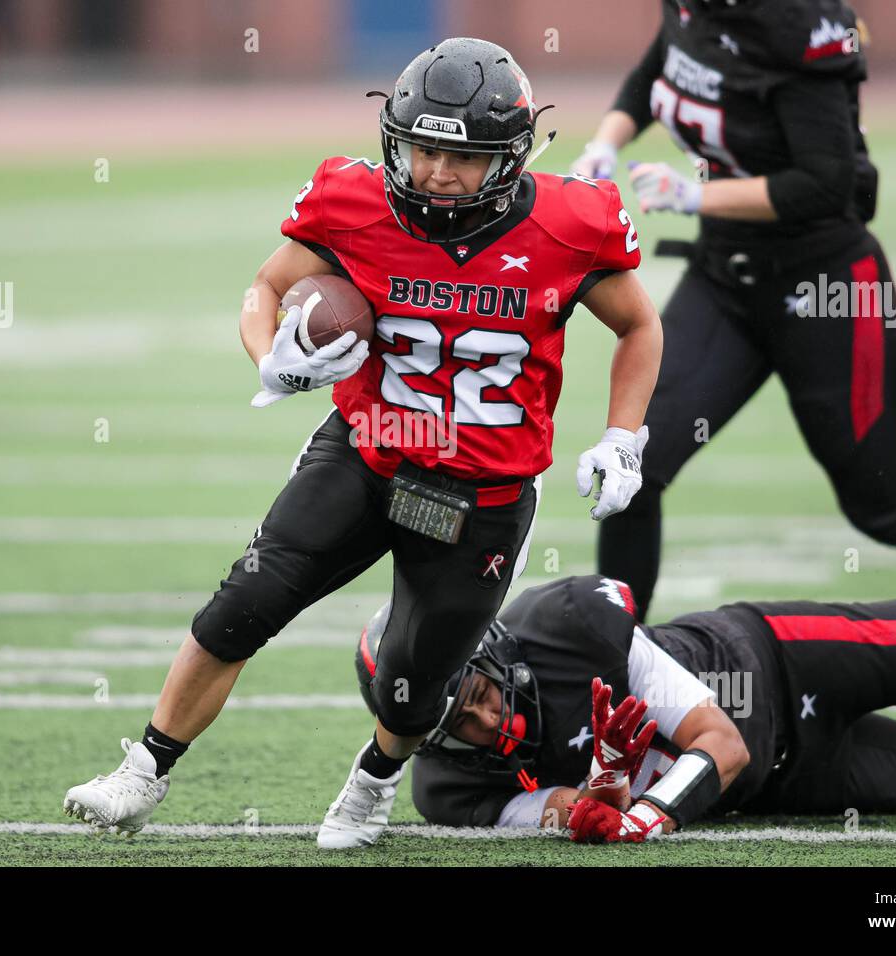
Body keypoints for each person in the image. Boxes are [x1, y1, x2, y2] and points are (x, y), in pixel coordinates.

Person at [62, 37, 664, 849]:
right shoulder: (353, 201)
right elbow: (268, 285)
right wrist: (270, 357)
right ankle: (143, 771)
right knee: (243, 603)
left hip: (481, 490)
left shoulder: (569, 220)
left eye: (464, 158)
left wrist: (623, 436)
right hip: (368, 448)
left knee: (415, 687)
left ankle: (374, 783)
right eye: (422, 150)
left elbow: (638, 324)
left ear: (512, 157)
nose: (436, 174)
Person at [353, 481, 896, 840]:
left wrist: (643, 818)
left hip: (782, 662)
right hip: (781, 779)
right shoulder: (447, 790)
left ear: (490, 651)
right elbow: (572, 811)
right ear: (422, 735)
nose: (485, 714)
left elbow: (719, 742)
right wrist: (604, 794)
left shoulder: (567, 628)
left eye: (474, 687)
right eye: (456, 720)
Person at [568, 0, 896, 622]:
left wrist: (696, 194)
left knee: (884, 506)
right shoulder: (694, 10)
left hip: (825, 283)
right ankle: (616, 668)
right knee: (634, 465)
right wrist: (603, 146)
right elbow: (660, 67)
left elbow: (825, 183)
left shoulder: (796, 29)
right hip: (726, 277)